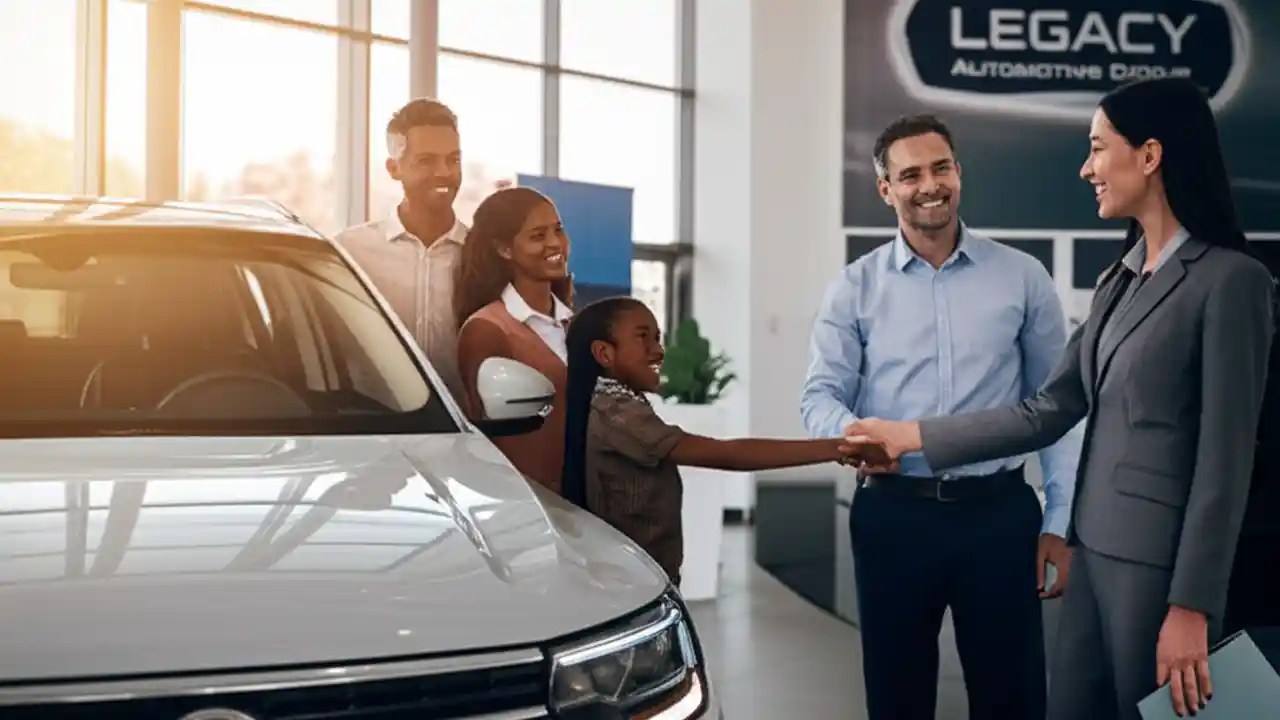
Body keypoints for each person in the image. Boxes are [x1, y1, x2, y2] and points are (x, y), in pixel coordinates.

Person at [844, 78, 1275, 720]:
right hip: (1094, 556)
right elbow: (1045, 411)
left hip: (1159, 573)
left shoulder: (1232, 281)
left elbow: (1226, 461)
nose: (1086, 167)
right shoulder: (1117, 282)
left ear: (1150, 156)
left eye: (1098, 148)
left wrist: (1193, 605)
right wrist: (914, 436)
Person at [801, 113, 1083, 720]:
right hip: (892, 515)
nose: (929, 185)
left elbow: (1058, 407)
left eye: (940, 167)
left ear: (958, 171)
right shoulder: (854, 289)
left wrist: (1059, 520)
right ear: (886, 189)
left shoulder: (1023, 277)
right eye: (909, 174)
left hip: (1000, 518)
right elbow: (819, 396)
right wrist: (855, 438)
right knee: (897, 696)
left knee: (1012, 697)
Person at [560, 297, 872, 586]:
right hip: (632, 583)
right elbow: (729, 454)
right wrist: (836, 446)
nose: (658, 351)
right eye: (644, 338)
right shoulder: (617, 412)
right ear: (604, 353)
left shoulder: (615, 402)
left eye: (657, 337)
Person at [336, 98, 468, 403]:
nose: (444, 172)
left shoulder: (482, 254)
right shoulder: (349, 252)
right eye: (426, 161)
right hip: (371, 428)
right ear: (394, 168)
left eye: (453, 160)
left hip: (464, 434)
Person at [455, 186, 574, 494]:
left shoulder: (574, 323)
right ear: (505, 249)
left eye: (558, 230)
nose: (554, 243)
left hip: (588, 502)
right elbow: (490, 435)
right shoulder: (488, 328)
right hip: (528, 502)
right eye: (537, 236)